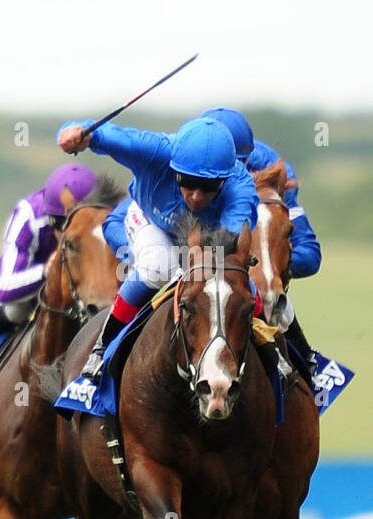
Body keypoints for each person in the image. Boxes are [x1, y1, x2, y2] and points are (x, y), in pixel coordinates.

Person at [57, 116, 258, 383]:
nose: (196, 196)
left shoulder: (241, 187)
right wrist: (76, 135)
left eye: (209, 187)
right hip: (150, 221)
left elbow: (231, 240)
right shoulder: (154, 150)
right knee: (157, 266)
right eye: (186, 181)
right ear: (174, 168)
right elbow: (103, 134)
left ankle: (277, 356)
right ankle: (101, 348)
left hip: (205, 238)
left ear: (226, 179)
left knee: (240, 286)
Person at [0, 164, 98, 394]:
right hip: (34, 288)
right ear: (49, 218)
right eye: (60, 225)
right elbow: (3, 288)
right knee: (14, 311)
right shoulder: (29, 215)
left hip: (85, 285)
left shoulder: (105, 220)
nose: (65, 234)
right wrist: (45, 273)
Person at [200, 107, 319, 374]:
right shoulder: (186, 162)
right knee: (157, 269)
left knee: (273, 299)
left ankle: (310, 367)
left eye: (235, 165)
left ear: (247, 159)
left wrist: (264, 266)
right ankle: (103, 359)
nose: (230, 174)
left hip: (251, 277)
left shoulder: (273, 172)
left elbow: (310, 257)